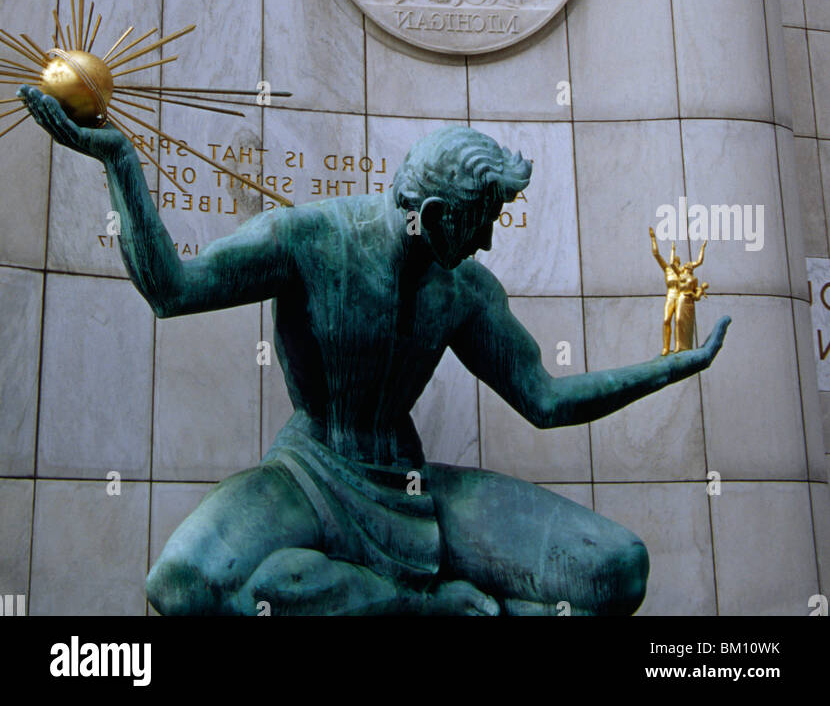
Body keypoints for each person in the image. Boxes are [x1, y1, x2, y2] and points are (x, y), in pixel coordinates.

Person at [21, 88, 729, 617]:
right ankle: (420, 605)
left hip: (411, 485)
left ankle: (398, 598)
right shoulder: (306, 239)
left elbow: (544, 400)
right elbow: (172, 291)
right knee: (182, 585)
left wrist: (670, 366)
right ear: (432, 217)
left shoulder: (464, 289)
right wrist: (119, 160)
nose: (486, 242)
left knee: (616, 569)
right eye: (481, 223)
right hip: (308, 475)